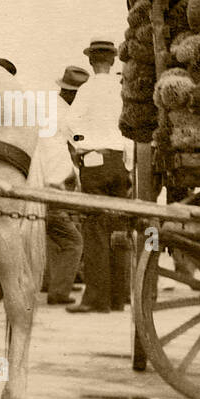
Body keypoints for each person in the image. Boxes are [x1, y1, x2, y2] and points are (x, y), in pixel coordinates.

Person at [66, 40, 132, 313]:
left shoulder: (87, 89)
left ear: (92, 62)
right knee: (118, 232)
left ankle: (96, 298)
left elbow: (70, 125)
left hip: (95, 162)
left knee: (95, 232)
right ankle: (119, 298)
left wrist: (83, 143)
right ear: (113, 61)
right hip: (121, 163)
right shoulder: (123, 89)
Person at [43, 65, 88, 305]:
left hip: (38, 181)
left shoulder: (48, 109)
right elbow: (81, 142)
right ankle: (59, 292)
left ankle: (47, 282)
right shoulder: (68, 116)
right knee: (72, 242)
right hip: (55, 183)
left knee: (51, 237)